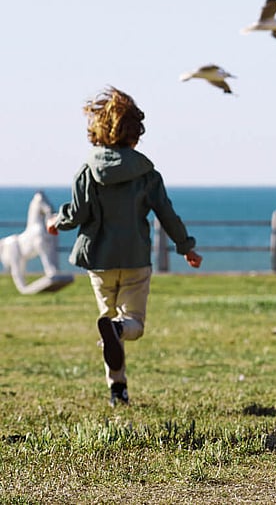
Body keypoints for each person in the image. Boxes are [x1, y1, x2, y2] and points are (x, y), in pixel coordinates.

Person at [47, 87, 202, 407]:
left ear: (98, 130)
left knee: (107, 321)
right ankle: (119, 332)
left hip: (99, 261)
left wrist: (56, 221)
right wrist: (185, 246)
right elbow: (166, 214)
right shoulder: (147, 174)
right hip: (135, 259)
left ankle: (117, 389)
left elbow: (76, 214)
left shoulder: (87, 171)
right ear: (136, 132)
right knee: (132, 325)